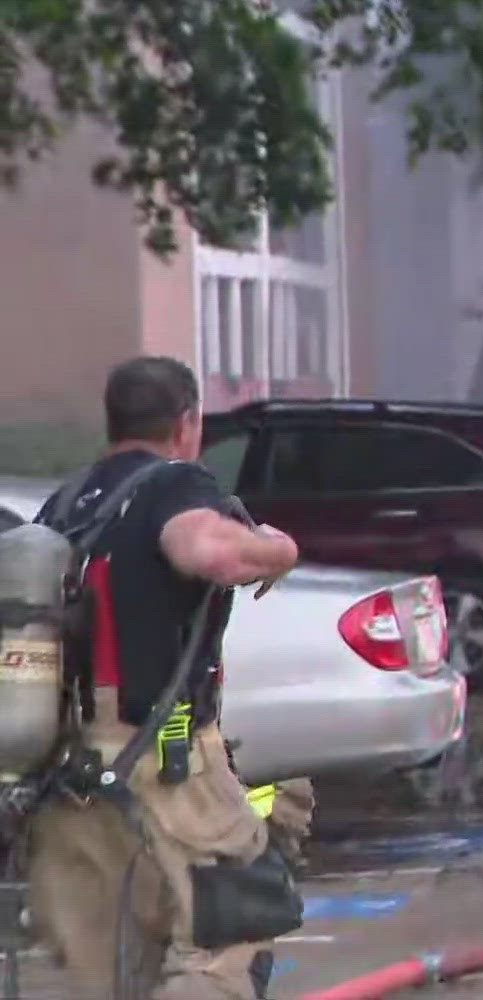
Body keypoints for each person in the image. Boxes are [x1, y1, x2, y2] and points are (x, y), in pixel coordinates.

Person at [28, 355, 302, 999]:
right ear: (187, 422)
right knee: (231, 927)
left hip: (66, 774)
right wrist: (278, 549)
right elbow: (207, 549)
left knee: (113, 971)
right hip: (160, 765)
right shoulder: (175, 484)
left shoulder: (65, 503)